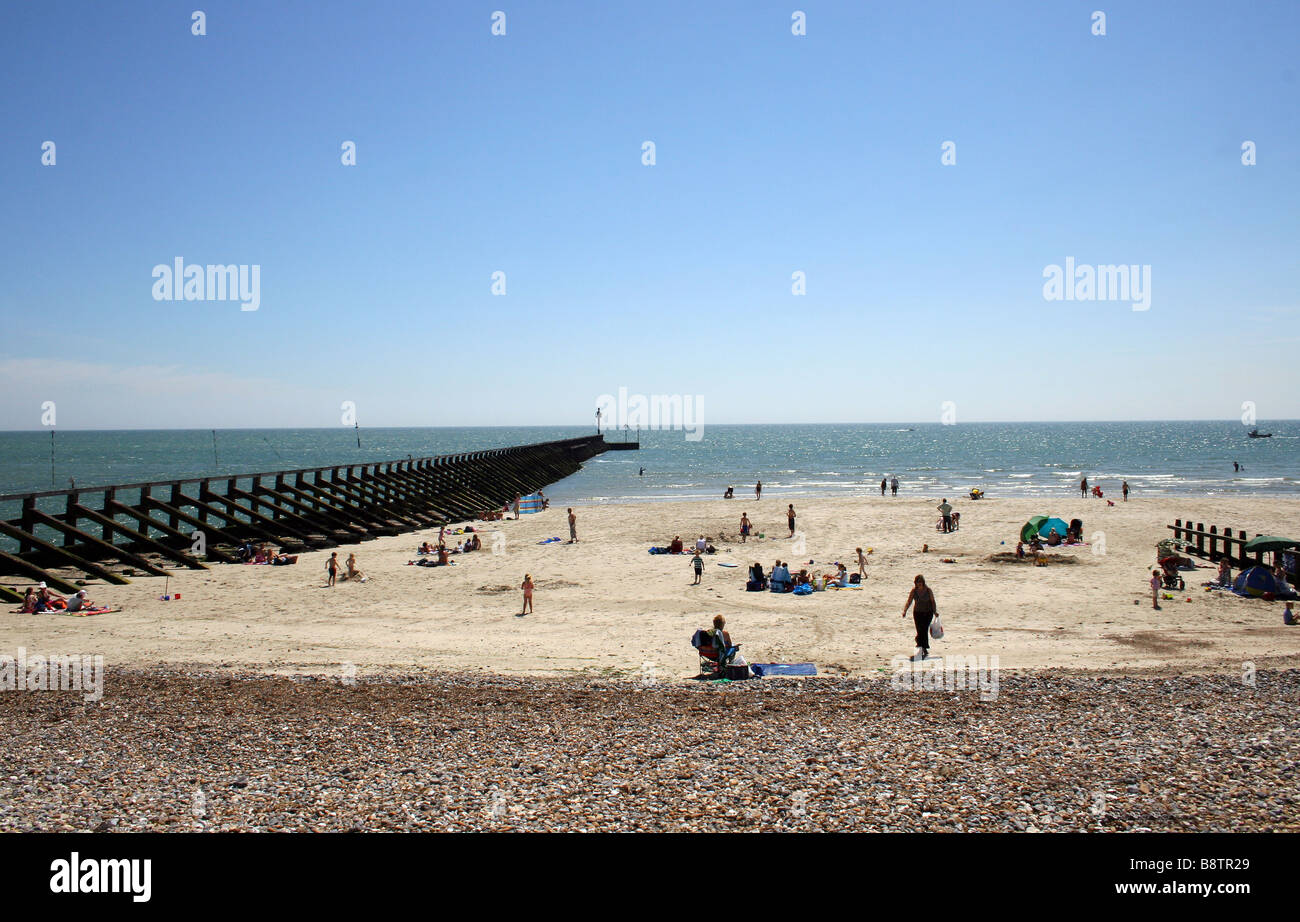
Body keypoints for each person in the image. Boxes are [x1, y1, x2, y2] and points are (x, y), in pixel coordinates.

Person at [902, 574, 938, 661]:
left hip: (928, 612)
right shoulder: (914, 591)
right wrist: (905, 611)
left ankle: (922, 647)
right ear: (916, 583)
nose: (919, 584)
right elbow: (909, 601)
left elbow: (933, 601)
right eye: (918, 583)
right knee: (920, 630)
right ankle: (923, 647)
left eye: (921, 582)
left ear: (923, 582)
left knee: (924, 629)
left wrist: (935, 611)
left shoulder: (928, 590)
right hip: (917, 613)